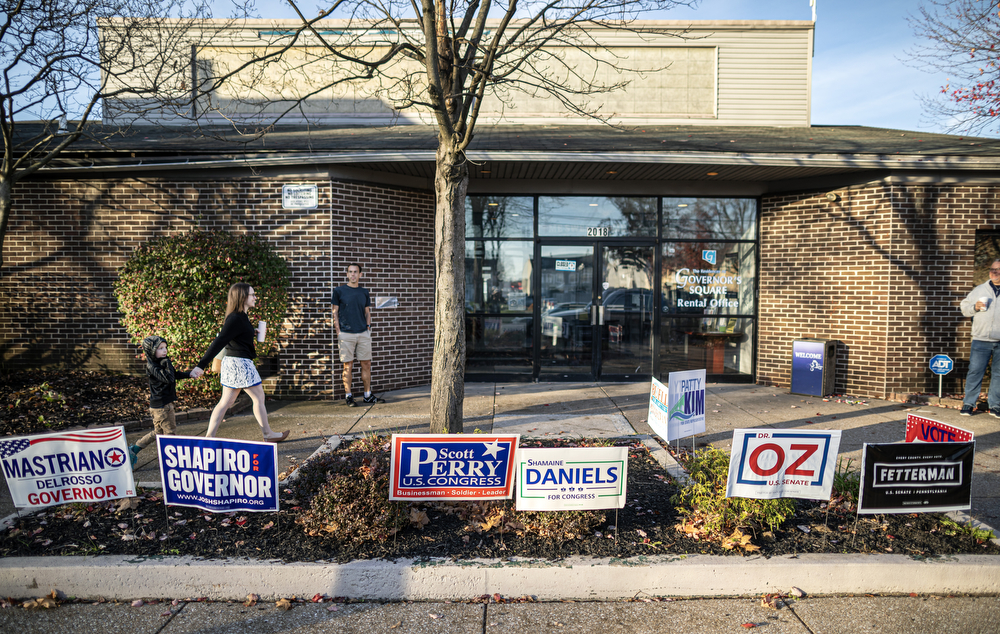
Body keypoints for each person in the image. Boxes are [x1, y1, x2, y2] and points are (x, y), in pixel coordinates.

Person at [194, 283, 289, 441]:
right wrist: (200, 365)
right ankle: (268, 434)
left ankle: (209, 437)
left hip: (234, 363)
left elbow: (236, 338)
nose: (255, 297)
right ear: (242, 297)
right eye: (252, 295)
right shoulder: (235, 318)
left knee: (226, 402)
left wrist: (252, 332)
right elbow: (219, 342)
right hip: (240, 364)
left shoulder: (240, 317)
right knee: (258, 397)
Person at [128, 335, 204, 467]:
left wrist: (189, 374)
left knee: (157, 432)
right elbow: (169, 378)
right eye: (160, 348)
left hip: (163, 404)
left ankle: (134, 449)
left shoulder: (161, 362)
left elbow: (174, 375)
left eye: (165, 347)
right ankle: (170, 463)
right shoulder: (153, 366)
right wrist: (167, 362)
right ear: (151, 350)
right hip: (161, 407)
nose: (165, 350)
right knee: (170, 433)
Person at [331, 263, 384, 406]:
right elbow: (334, 312)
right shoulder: (339, 291)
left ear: (360, 275)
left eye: (355, 272)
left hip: (363, 333)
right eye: (350, 272)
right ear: (347, 274)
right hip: (346, 334)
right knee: (347, 366)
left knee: (366, 364)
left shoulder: (364, 292)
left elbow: (367, 312)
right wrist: (338, 331)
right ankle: (349, 396)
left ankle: (367, 395)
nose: (352, 274)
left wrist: (368, 327)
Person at [959, 259, 1000, 416]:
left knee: (998, 374)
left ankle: (995, 405)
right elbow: (964, 307)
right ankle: (968, 403)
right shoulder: (980, 290)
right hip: (981, 340)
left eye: (998, 270)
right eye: (992, 269)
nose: (994, 272)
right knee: (975, 371)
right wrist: (974, 307)